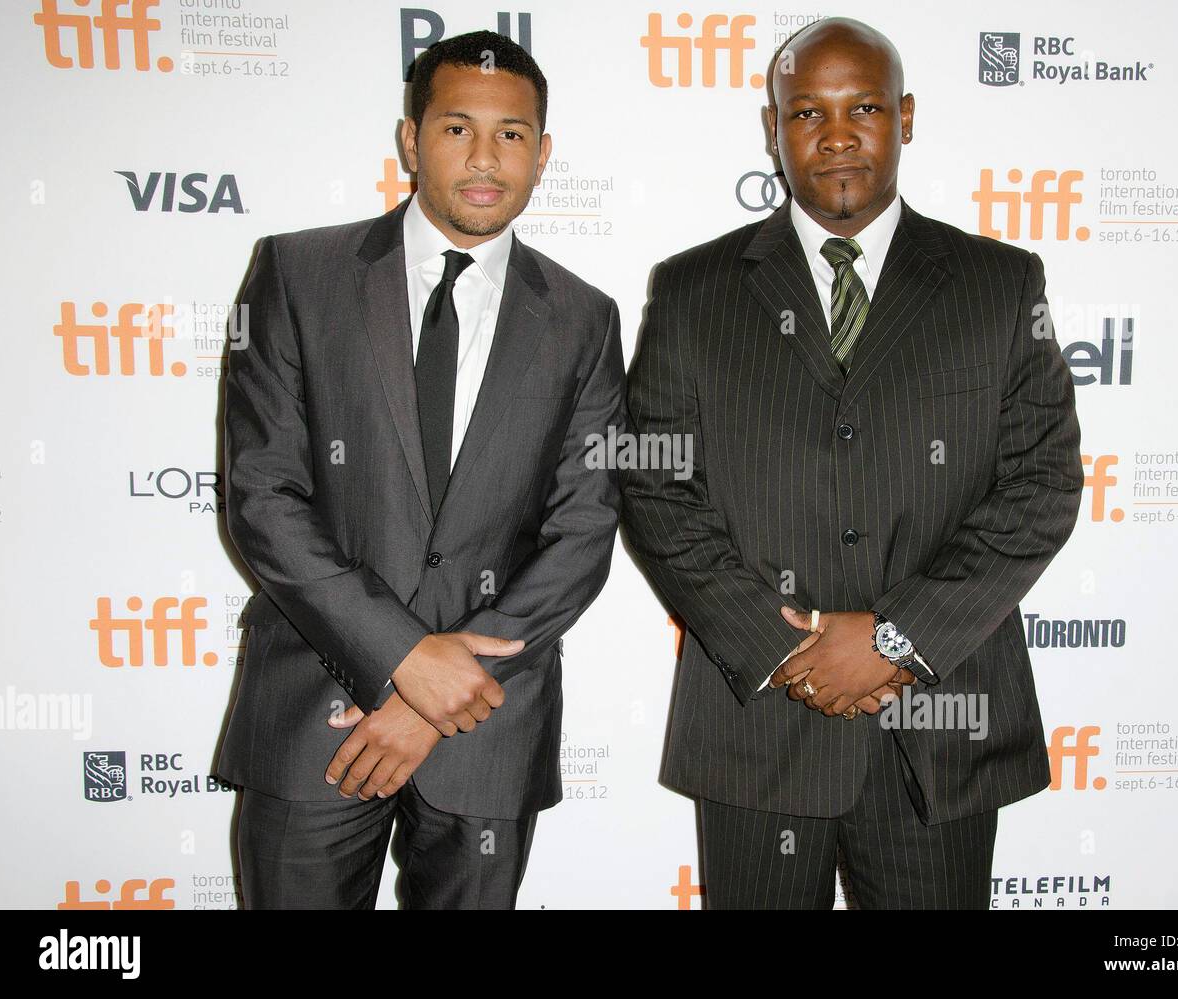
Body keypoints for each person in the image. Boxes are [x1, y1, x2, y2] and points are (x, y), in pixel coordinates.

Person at [621, 17, 1083, 908]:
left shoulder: (1000, 283)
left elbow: (1042, 483)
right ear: (773, 130)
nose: (836, 134)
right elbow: (654, 484)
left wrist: (894, 638)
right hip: (758, 726)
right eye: (806, 113)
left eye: (864, 106)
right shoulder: (692, 290)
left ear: (906, 117)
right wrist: (778, 648)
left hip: (936, 740)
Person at [216, 30, 625, 909]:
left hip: (488, 725)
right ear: (411, 139)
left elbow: (582, 531)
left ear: (543, 153)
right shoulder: (298, 273)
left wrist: (434, 697)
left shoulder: (584, 318)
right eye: (456, 129)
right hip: (311, 712)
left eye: (512, 135)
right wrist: (404, 657)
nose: (486, 158)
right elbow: (262, 495)